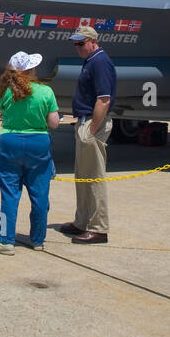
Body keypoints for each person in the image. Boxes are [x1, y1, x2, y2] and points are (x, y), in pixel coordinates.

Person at [0, 51, 60, 254]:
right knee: (40, 194)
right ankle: (37, 240)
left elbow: (3, 112)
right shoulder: (46, 92)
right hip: (38, 142)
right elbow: (54, 123)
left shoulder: (5, 92)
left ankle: (5, 240)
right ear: (31, 69)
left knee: (9, 194)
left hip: (10, 141)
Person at [56, 26, 116, 244]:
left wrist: (91, 129)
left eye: (81, 43)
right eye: (75, 44)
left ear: (93, 41)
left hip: (92, 124)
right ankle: (82, 221)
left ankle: (98, 228)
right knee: (82, 176)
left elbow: (104, 99)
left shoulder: (99, 61)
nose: (77, 48)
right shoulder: (91, 61)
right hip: (84, 121)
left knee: (93, 178)